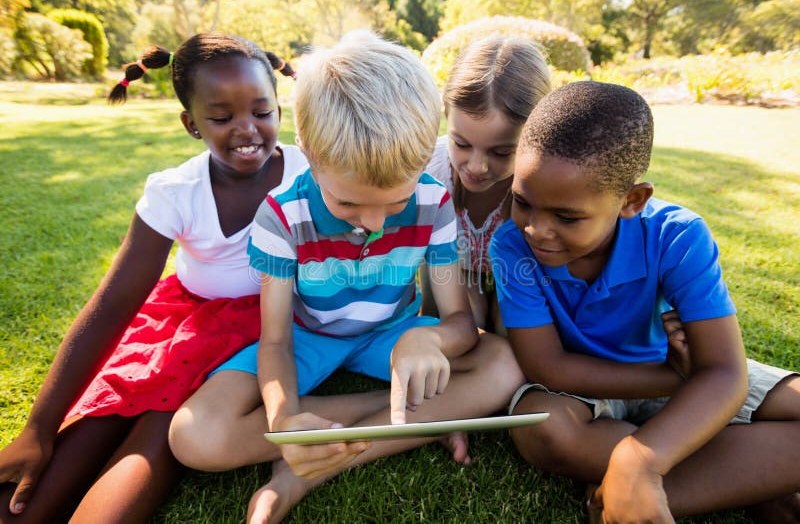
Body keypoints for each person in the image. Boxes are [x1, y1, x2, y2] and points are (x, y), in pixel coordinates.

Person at [168, 30, 525, 523]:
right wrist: (283, 418)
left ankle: (308, 471)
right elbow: (275, 342)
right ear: (309, 154)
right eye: (349, 202)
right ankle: (420, 416)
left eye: (395, 202)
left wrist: (428, 340)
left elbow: (460, 323)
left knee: (503, 365)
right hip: (305, 338)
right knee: (194, 434)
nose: (373, 223)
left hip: (393, 333)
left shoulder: (432, 200)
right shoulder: (282, 216)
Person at [0, 33, 302, 523]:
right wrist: (38, 427)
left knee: (157, 431)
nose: (247, 129)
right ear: (191, 124)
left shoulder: (308, 173)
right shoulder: (175, 191)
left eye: (262, 112)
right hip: (183, 318)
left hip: (255, 330)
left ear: (279, 112)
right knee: (100, 416)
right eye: (221, 118)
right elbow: (114, 304)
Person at [490, 80, 800, 523]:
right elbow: (547, 367)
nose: (535, 229)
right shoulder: (511, 247)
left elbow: (724, 372)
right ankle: (743, 478)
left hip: (677, 371)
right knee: (543, 427)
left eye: (567, 217)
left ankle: (620, 490)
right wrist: (673, 381)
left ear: (632, 201)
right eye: (522, 202)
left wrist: (639, 458)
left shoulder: (678, 236)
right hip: (598, 388)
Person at [420, 36, 551, 333]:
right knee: (469, 320)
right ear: (446, 115)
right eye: (462, 144)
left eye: (502, 152)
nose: (477, 167)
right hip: (449, 274)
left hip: (521, 277)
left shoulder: (543, 180)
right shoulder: (430, 169)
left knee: (511, 327)